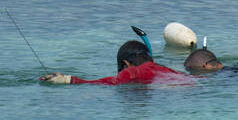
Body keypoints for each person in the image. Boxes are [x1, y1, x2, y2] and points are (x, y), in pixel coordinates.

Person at [40, 40, 196, 85]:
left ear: (126, 64)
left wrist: (68, 80)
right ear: (152, 59)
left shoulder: (132, 72)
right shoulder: (166, 69)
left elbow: (110, 82)